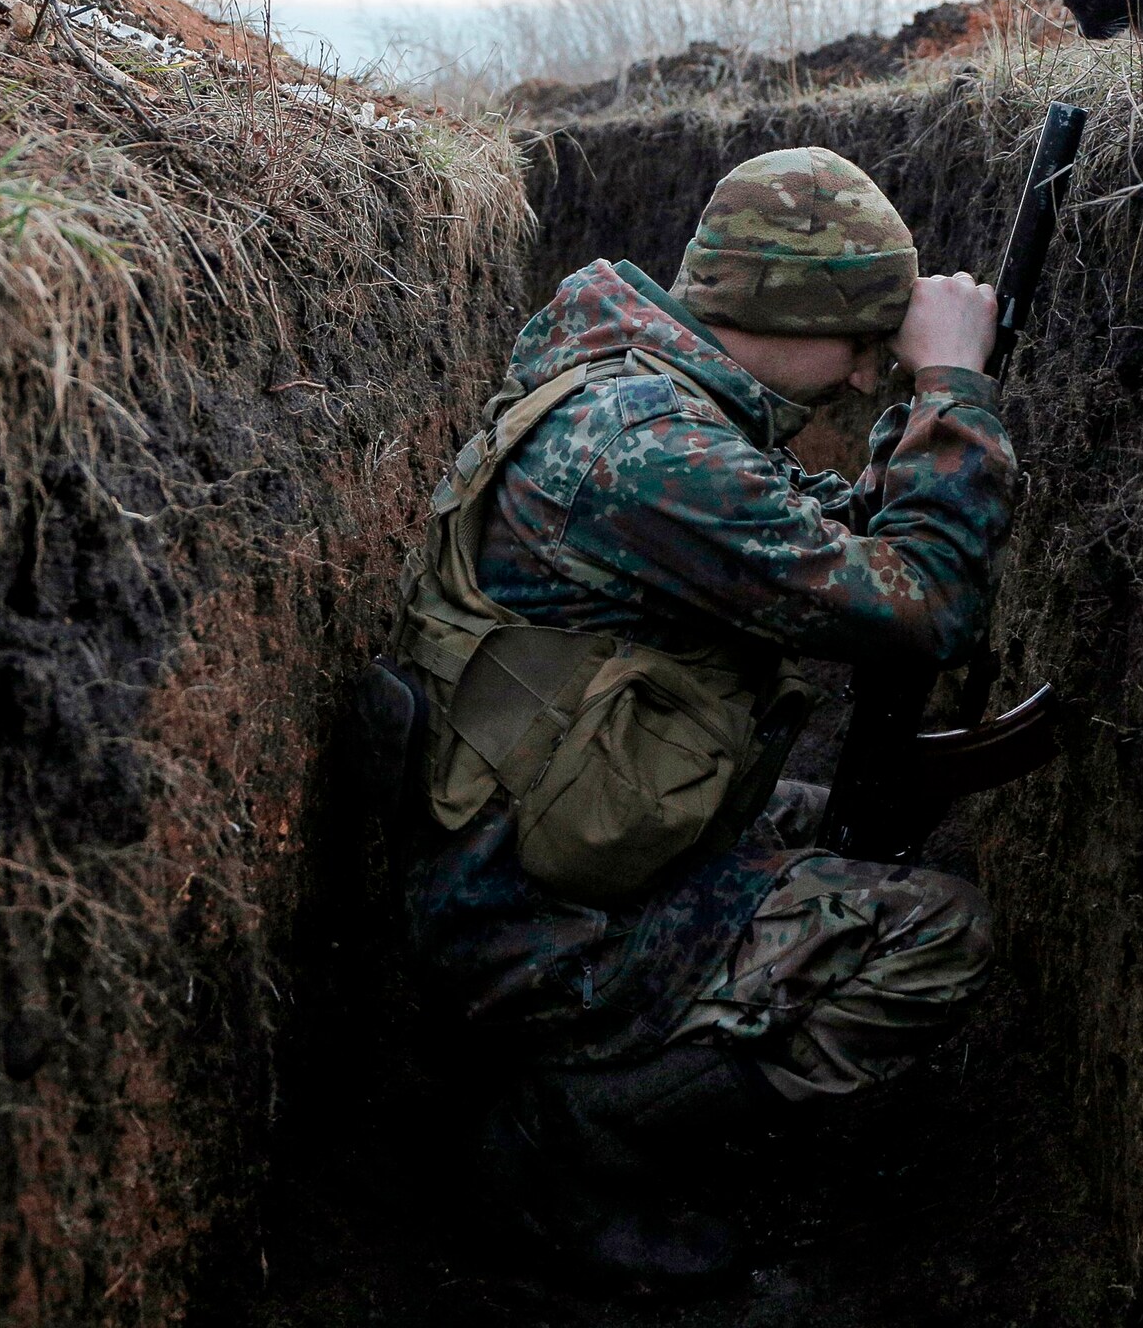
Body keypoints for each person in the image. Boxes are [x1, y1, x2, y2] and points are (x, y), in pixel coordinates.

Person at [380, 147, 1016, 1290]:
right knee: (932, 931)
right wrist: (952, 390)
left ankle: (612, 1067)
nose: (876, 368)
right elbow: (925, 606)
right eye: (865, 338)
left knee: (833, 829)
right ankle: (571, 1126)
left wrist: (916, 420)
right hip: (532, 925)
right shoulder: (649, 452)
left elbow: (804, 527)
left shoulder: (631, 392)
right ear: (790, 310)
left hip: (534, 835)